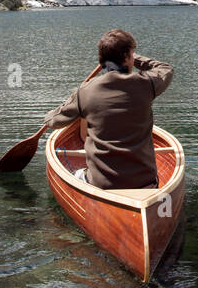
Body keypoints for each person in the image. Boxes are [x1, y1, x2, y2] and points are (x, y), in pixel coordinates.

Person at [43, 29, 173, 191]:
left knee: (76, 174)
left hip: (101, 184)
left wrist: (55, 113)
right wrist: (131, 56)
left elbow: (53, 122)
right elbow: (165, 68)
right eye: (131, 54)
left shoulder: (85, 91)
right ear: (127, 57)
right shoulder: (147, 84)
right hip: (144, 182)